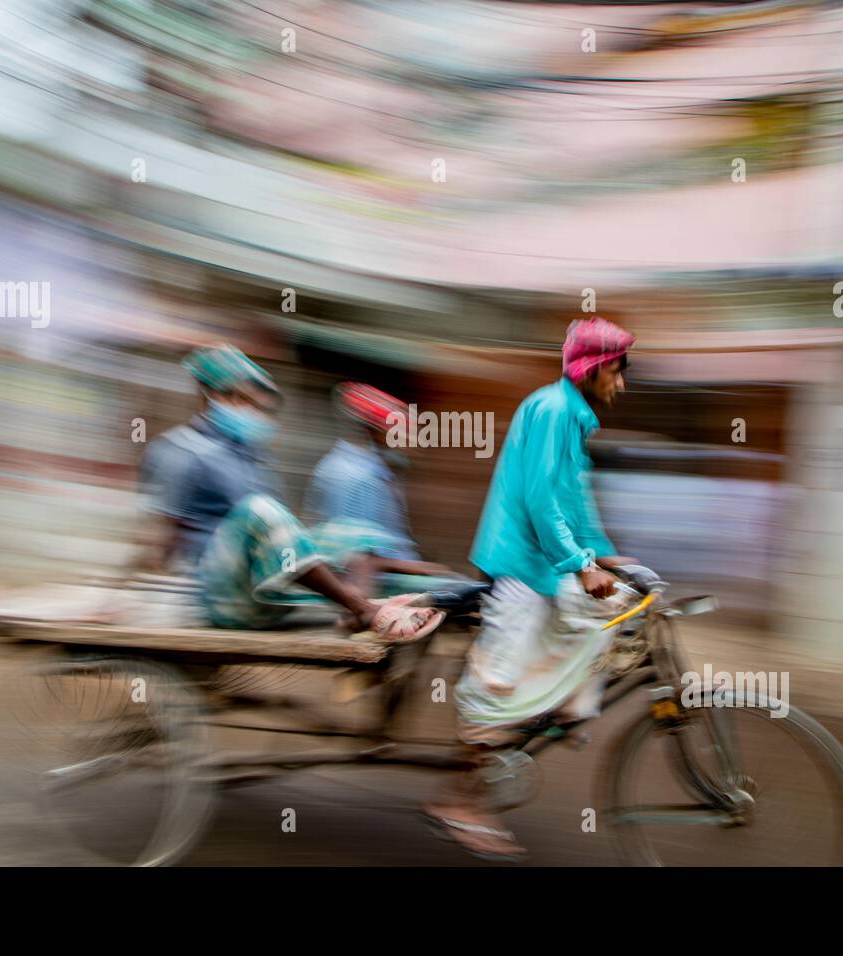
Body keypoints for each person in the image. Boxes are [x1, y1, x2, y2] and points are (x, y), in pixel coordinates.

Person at [423, 316, 638, 861]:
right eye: (616, 371)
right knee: (497, 685)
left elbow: (575, 502)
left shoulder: (572, 416)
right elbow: (541, 499)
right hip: (520, 565)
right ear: (590, 369)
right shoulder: (551, 410)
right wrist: (582, 565)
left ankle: (558, 709)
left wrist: (606, 555)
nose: (621, 383)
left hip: (545, 565)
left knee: (609, 618)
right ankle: (459, 802)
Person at [134, 343, 444, 640]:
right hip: (220, 595)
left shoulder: (250, 457)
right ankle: (363, 609)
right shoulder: (180, 450)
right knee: (259, 509)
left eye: (257, 406)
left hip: (262, 589)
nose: (253, 412)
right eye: (242, 400)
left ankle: (356, 610)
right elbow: (160, 533)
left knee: (352, 532)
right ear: (210, 396)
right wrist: (149, 597)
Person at [305, 382, 453, 595]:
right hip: (375, 584)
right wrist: (422, 569)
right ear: (377, 433)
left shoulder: (378, 473)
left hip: (389, 577)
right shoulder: (353, 476)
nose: (412, 442)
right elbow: (354, 556)